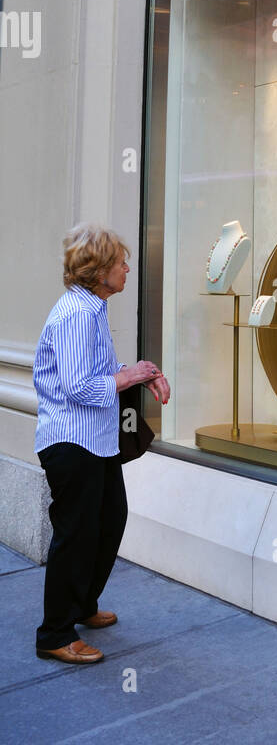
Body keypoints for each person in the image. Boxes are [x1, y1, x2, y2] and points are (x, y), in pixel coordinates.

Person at [33, 223, 170, 665]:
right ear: (98, 270)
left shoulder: (91, 308)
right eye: (119, 262)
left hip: (95, 441)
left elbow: (99, 371)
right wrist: (128, 377)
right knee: (76, 534)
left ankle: (81, 606)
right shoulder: (76, 314)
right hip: (72, 442)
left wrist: (139, 371)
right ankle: (54, 634)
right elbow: (79, 387)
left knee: (109, 520)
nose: (127, 268)